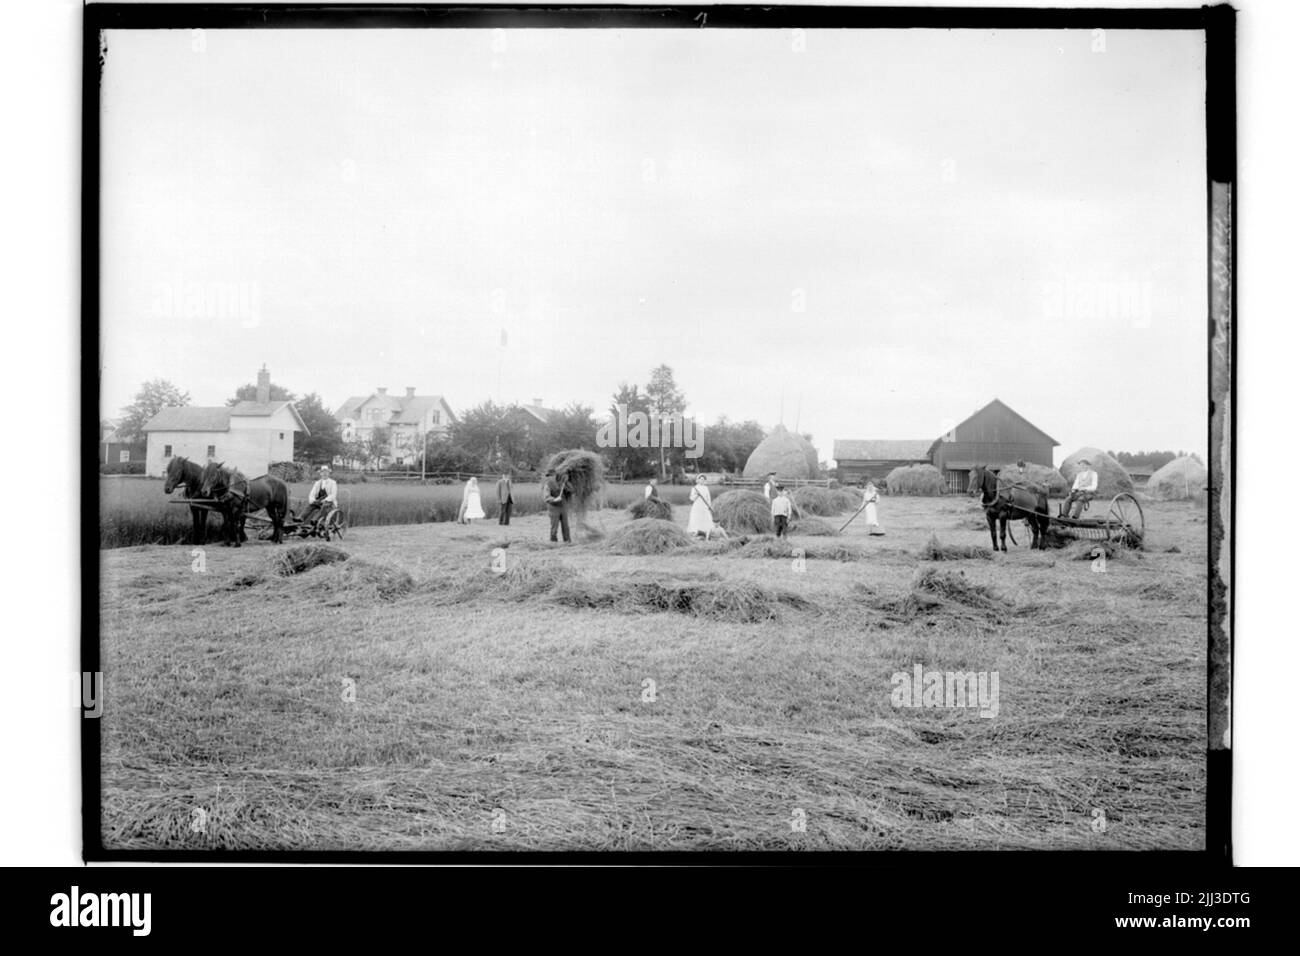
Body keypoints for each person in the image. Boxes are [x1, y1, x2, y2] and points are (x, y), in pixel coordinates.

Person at [297, 465, 337, 536]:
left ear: (328, 473)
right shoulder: (317, 483)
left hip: (329, 502)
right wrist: (312, 500)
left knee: (325, 505)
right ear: (320, 474)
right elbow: (312, 493)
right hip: (319, 501)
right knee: (310, 505)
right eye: (323, 472)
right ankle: (301, 518)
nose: (324, 474)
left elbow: (333, 495)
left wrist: (325, 500)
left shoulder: (333, 482)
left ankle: (315, 520)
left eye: (326, 472)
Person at [543, 468, 571, 543]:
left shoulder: (562, 482)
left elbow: (570, 491)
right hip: (553, 508)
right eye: (548, 476)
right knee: (554, 527)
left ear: (555, 475)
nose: (550, 477)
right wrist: (555, 499)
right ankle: (553, 542)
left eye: (551, 475)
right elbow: (546, 497)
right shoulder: (547, 485)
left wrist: (567, 482)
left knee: (566, 526)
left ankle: (567, 541)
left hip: (563, 507)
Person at [687, 474, 713, 539]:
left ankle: (705, 531)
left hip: (704, 505)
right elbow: (691, 498)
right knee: (696, 517)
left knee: (705, 517)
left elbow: (708, 498)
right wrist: (697, 495)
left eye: (703, 479)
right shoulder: (695, 488)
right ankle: (696, 531)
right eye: (701, 479)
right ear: (698, 480)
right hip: (697, 505)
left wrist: (709, 506)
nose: (702, 480)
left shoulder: (706, 488)